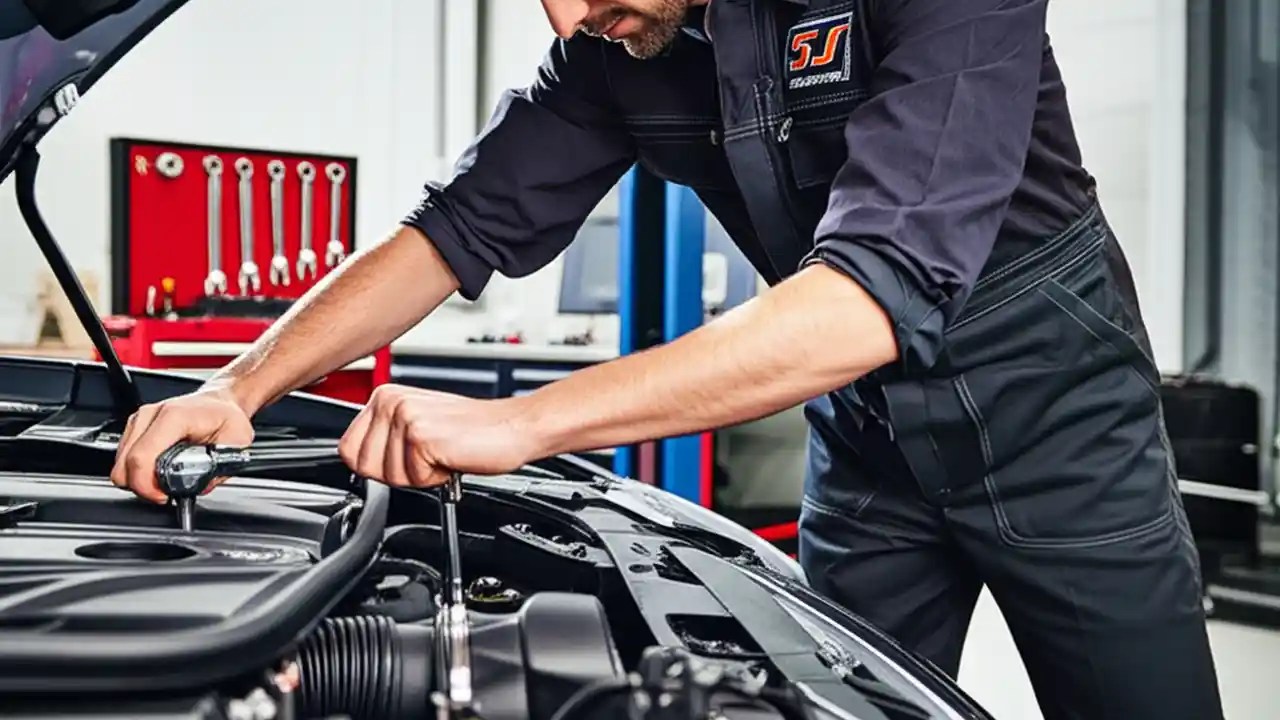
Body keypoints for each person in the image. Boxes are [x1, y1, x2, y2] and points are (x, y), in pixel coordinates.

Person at [113, 1, 1224, 717]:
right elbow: (455, 226)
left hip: (1056, 426)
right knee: (817, 705)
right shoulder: (618, 42)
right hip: (869, 441)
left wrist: (520, 422)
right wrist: (239, 385)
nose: (567, 15)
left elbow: (869, 297)